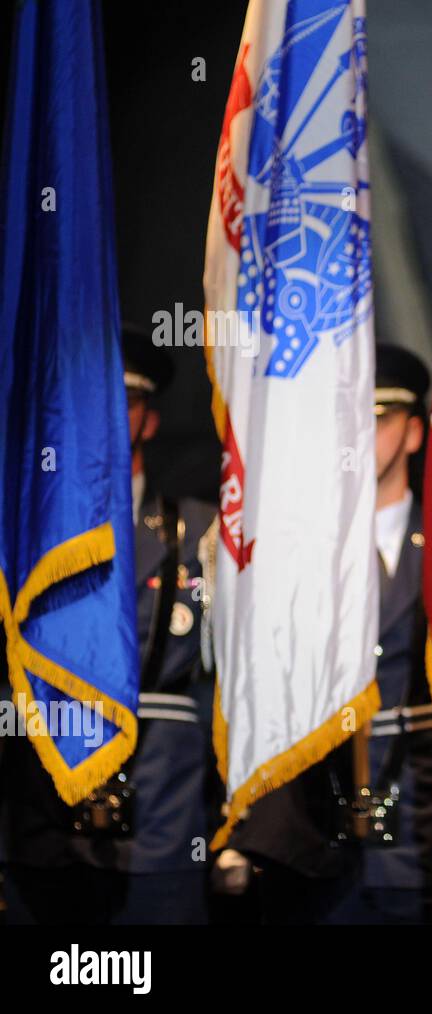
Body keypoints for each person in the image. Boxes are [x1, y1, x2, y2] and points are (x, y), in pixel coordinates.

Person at [222, 344, 432, 925]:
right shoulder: (296, 547)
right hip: (315, 831)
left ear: (410, 433)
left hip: (424, 822)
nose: (358, 434)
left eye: (377, 419)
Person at [0, 324, 219, 925]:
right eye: (86, 401)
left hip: (162, 814)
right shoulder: (20, 533)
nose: (100, 418)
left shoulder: (199, 532)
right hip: (39, 815)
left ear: (148, 418)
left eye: (121, 401)